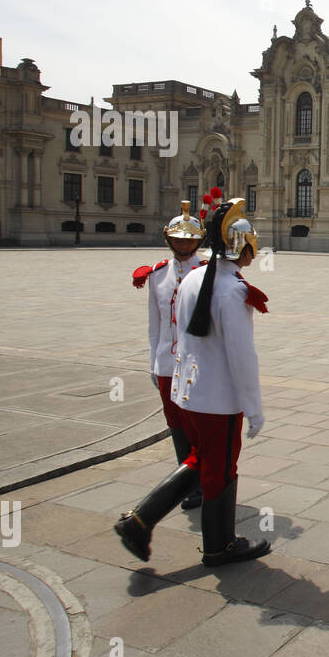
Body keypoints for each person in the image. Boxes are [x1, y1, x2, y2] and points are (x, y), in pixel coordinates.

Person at [115, 197, 271, 566]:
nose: (255, 253)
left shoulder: (196, 277)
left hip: (188, 390)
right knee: (220, 469)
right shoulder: (232, 290)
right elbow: (241, 356)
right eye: (252, 245)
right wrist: (254, 407)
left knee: (202, 459)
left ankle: (140, 521)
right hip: (218, 399)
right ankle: (220, 546)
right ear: (241, 246)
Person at [131, 196, 212, 509]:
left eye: (188, 240)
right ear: (168, 239)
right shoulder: (155, 275)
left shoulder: (207, 272)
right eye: (177, 239)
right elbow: (155, 326)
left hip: (196, 363)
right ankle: (189, 484)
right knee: (176, 425)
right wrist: (154, 362)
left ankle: (204, 480)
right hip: (167, 362)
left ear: (198, 241)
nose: (182, 245)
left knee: (197, 424)